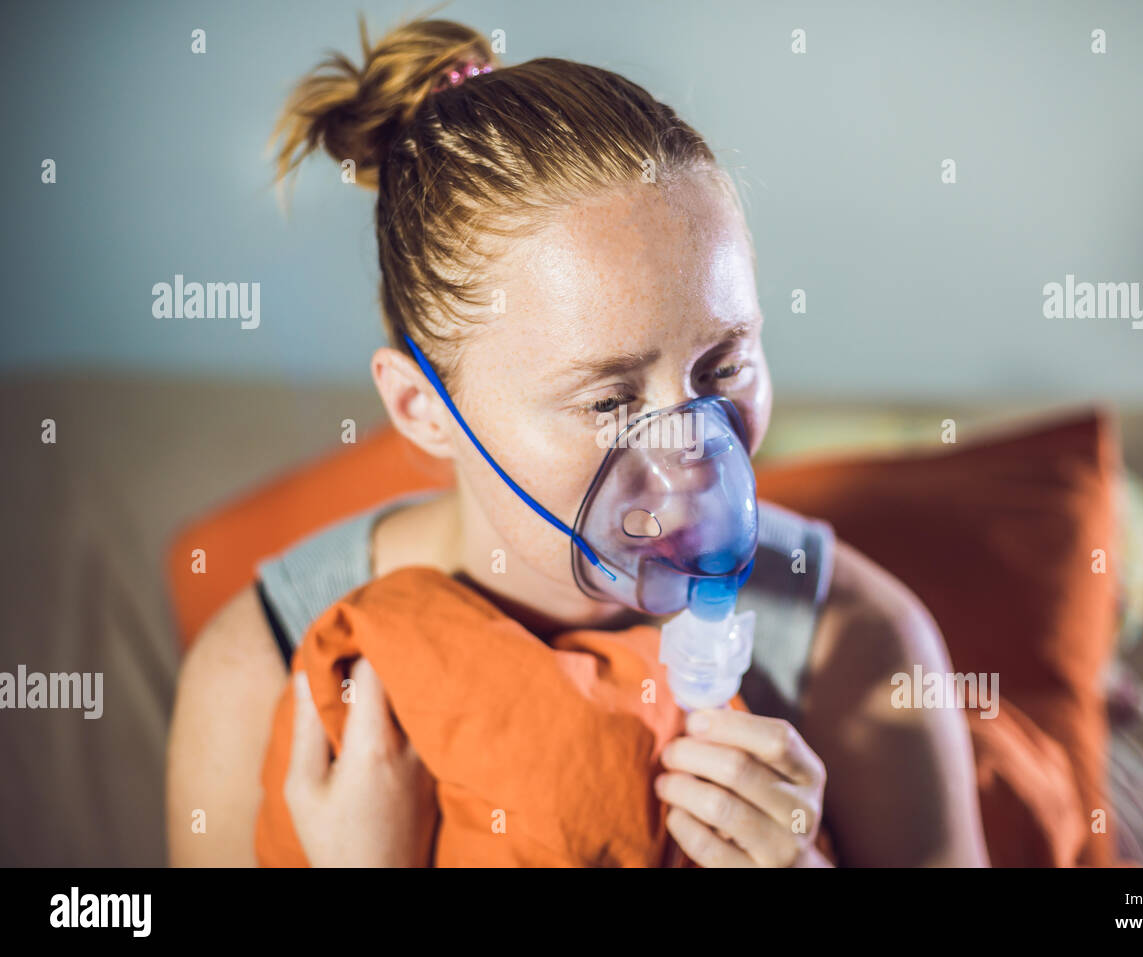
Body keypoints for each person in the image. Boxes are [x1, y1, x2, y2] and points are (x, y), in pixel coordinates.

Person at [165, 14, 990, 868]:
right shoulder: (263, 672)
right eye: (608, 399)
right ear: (422, 408)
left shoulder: (855, 643)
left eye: (724, 366)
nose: (693, 455)